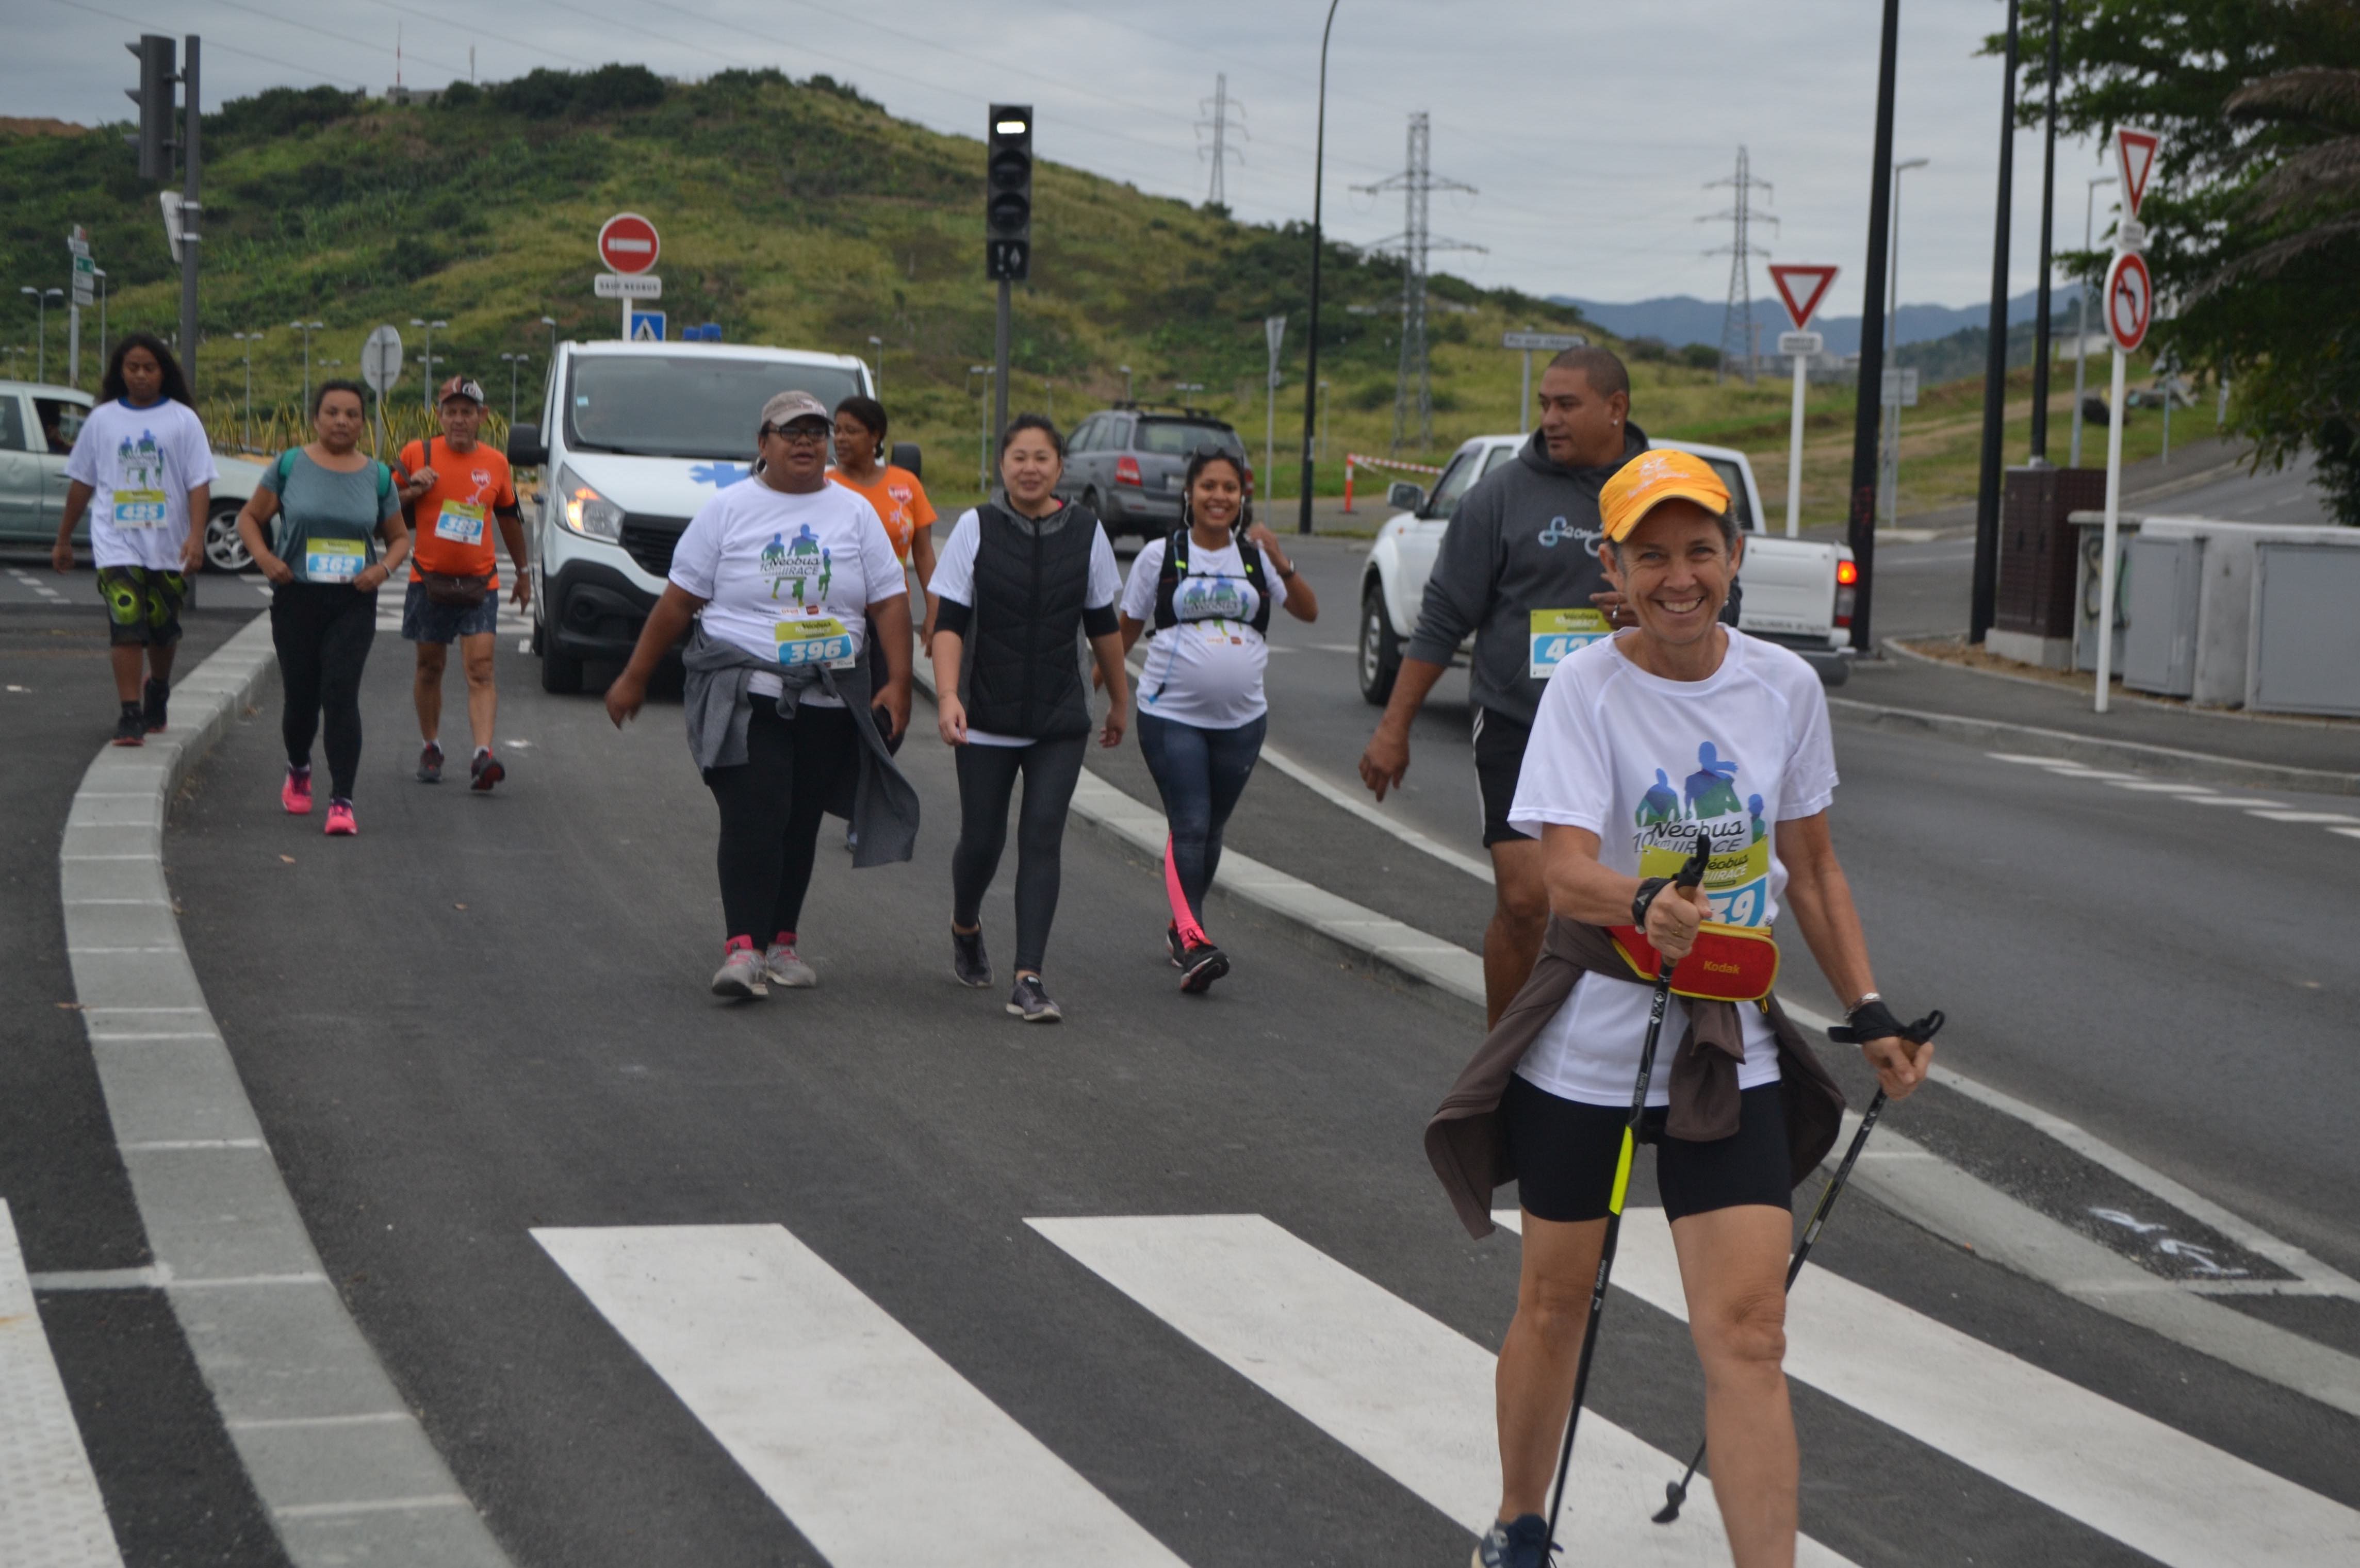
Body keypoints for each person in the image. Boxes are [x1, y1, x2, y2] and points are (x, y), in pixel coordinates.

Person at [1421, 450, 1932, 1568]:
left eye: (1698, 549)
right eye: (1648, 554)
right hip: (1593, 1039)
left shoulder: (1781, 689)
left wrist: (1869, 1006)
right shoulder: (1584, 691)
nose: (1677, 575)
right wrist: (1642, 897)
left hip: (1723, 1041)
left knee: (1748, 1330)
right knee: (1555, 1300)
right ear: (1612, 567)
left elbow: (1810, 866)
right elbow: (1560, 869)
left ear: (1733, 557)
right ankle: (1516, 1519)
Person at [1358, 346, 1646, 1028]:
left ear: (1616, 408)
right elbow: (1442, 617)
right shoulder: (1501, 495)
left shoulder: (1657, 491)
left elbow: (1725, 602)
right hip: (1522, 723)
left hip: (1633, 732)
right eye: (1544, 403)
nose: (1549, 418)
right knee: (1526, 900)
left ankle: (1599, 1056)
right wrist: (1394, 727)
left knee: (1621, 906)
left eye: (1566, 404)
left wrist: (1654, 613)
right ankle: (1504, 1065)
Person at [604, 390, 919, 1000]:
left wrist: (899, 682)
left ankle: (782, 942)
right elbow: (678, 601)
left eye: (815, 431)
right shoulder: (727, 511)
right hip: (745, 690)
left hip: (828, 694)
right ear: (763, 443)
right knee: (757, 810)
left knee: (799, 820)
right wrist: (635, 675)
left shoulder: (855, 514)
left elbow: (888, 600)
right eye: (789, 431)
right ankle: (742, 949)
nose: (805, 442)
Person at [929, 414, 1129, 1023]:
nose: (1030, 468)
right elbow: (948, 623)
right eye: (1019, 456)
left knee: (1042, 835)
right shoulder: (976, 527)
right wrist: (946, 696)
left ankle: (1028, 977)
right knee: (982, 840)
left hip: (1059, 715)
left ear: (1060, 467)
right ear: (1002, 465)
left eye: (1042, 457)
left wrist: (1120, 700)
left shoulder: (1088, 531)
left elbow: (1102, 625)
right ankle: (966, 923)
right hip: (985, 713)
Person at [1115, 447, 1318, 993]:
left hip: (1243, 719)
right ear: (1190, 493)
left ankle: (1184, 924)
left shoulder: (1253, 558)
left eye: (1229, 488)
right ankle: (1192, 938)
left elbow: (1308, 609)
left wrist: (1281, 560)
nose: (1219, 497)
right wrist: (1108, 692)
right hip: (1170, 713)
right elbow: (1125, 630)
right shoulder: (1161, 554)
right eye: (1208, 486)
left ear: (1241, 496)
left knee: (1211, 830)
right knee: (1191, 822)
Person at [235, 381, 409, 837]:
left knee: (340, 692)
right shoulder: (290, 465)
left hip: (353, 598)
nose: (341, 421)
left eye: (352, 414)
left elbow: (400, 538)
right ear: (315, 419)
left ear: (363, 423)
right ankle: (298, 766)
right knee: (301, 698)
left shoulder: (377, 476)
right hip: (298, 595)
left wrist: (384, 571)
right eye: (332, 412)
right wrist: (267, 559)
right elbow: (249, 518)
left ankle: (343, 800)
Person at [51, 334, 217, 746]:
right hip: (116, 541)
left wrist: (196, 537)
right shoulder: (103, 420)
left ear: (164, 372)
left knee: (162, 629)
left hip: (168, 544)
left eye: (149, 368)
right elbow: (83, 482)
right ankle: (129, 713)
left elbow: (199, 484)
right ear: (120, 372)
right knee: (126, 621)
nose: (141, 375)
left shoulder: (183, 420)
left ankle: (157, 687)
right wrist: (64, 539)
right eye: (132, 368)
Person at [398, 375, 527, 789]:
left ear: (482, 417)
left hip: (479, 583)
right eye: (450, 412)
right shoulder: (417, 454)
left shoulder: (496, 463)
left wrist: (523, 574)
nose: (458, 420)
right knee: (430, 667)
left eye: (467, 412)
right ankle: (431, 745)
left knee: (481, 669)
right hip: (429, 580)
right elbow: (384, 511)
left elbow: (509, 518)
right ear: (439, 415)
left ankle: (482, 755)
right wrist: (411, 492)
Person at [827, 394, 936, 845]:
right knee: (837, 716)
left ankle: (862, 803)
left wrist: (935, 611)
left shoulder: (905, 484)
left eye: (851, 430)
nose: (840, 438)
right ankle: (847, 794)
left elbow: (924, 552)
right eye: (837, 429)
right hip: (836, 617)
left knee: (888, 714)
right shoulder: (824, 483)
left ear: (876, 437)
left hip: (889, 616)